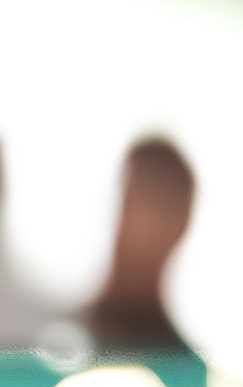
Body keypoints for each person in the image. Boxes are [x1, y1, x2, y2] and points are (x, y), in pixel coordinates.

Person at [78, 133, 194, 362]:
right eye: (133, 201)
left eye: (162, 206)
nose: (145, 223)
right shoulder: (53, 343)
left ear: (182, 225)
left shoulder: (186, 372)